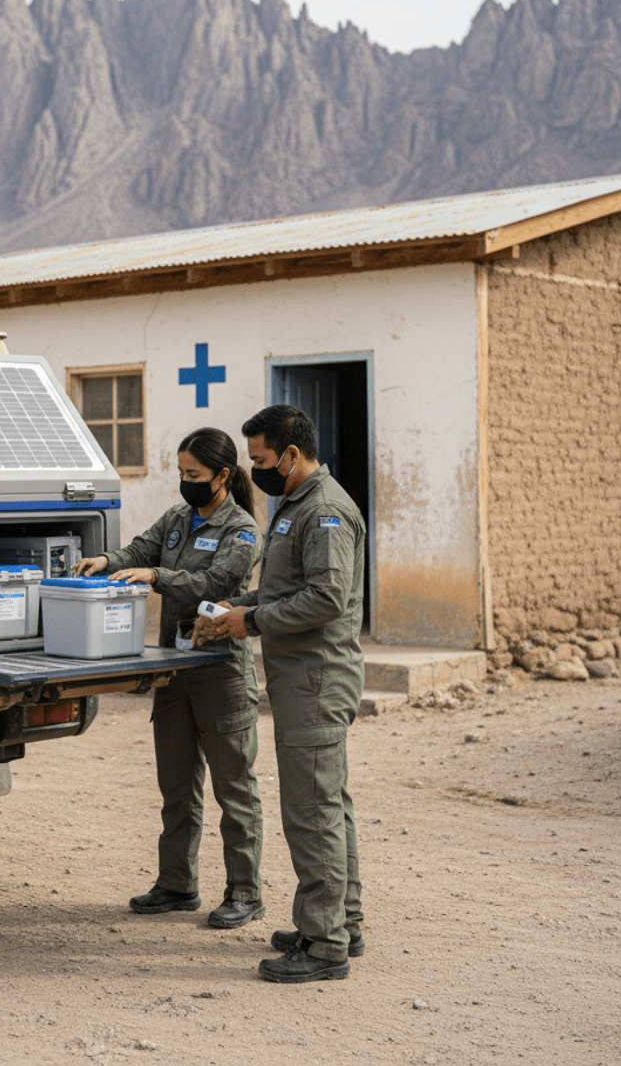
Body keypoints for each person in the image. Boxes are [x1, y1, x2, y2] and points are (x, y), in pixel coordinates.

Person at [74, 427, 265, 929]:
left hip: (220, 669)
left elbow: (215, 582)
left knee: (234, 789)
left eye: (194, 475)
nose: (186, 482)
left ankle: (244, 892)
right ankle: (177, 884)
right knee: (176, 784)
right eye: (181, 473)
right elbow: (141, 549)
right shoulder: (178, 518)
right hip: (174, 669)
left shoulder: (241, 530)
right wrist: (107, 562)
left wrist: (158, 577)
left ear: (222, 476)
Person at [203, 404, 366, 984]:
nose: (258, 471)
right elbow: (290, 588)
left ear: (292, 455)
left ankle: (324, 947)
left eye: (262, 460)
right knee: (328, 804)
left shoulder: (322, 510)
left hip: (315, 680)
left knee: (312, 811)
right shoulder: (297, 504)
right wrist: (243, 609)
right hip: (305, 676)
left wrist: (254, 622)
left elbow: (327, 598)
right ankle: (340, 920)